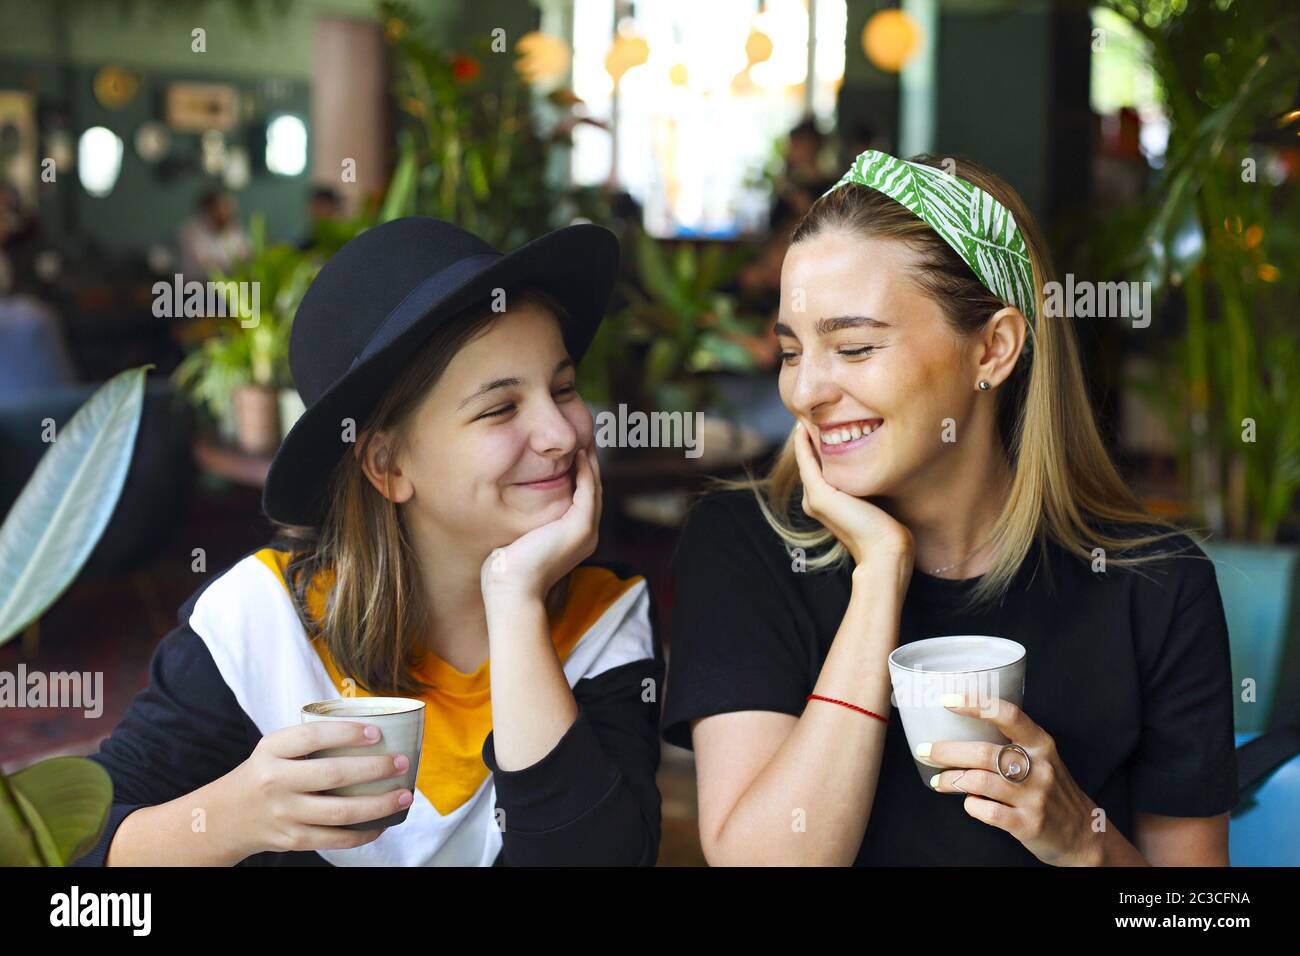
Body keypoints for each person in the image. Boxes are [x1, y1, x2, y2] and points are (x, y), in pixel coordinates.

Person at [662, 150, 1237, 866]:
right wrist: (880, 575)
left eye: (855, 345)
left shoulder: (1156, 586)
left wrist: (1081, 840)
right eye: (790, 351)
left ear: (993, 349)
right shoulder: (745, 545)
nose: (806, 390)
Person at [76, 216, 663, 866]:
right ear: (388, 467)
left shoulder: (605, 618)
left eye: (563, 388)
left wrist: (517, 602)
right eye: (500, 408)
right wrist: (236, 816)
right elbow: (76, 854)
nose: (561, 432)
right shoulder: (264, 622)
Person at [178, 188, 250, 279]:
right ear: (209, 209)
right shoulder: (191, 232)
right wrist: (237, 262)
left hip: (228, 286)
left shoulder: (235, 230)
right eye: (223, 207)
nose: (228, 211)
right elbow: (207, 264)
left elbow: (247, 256)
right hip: (196, 288)